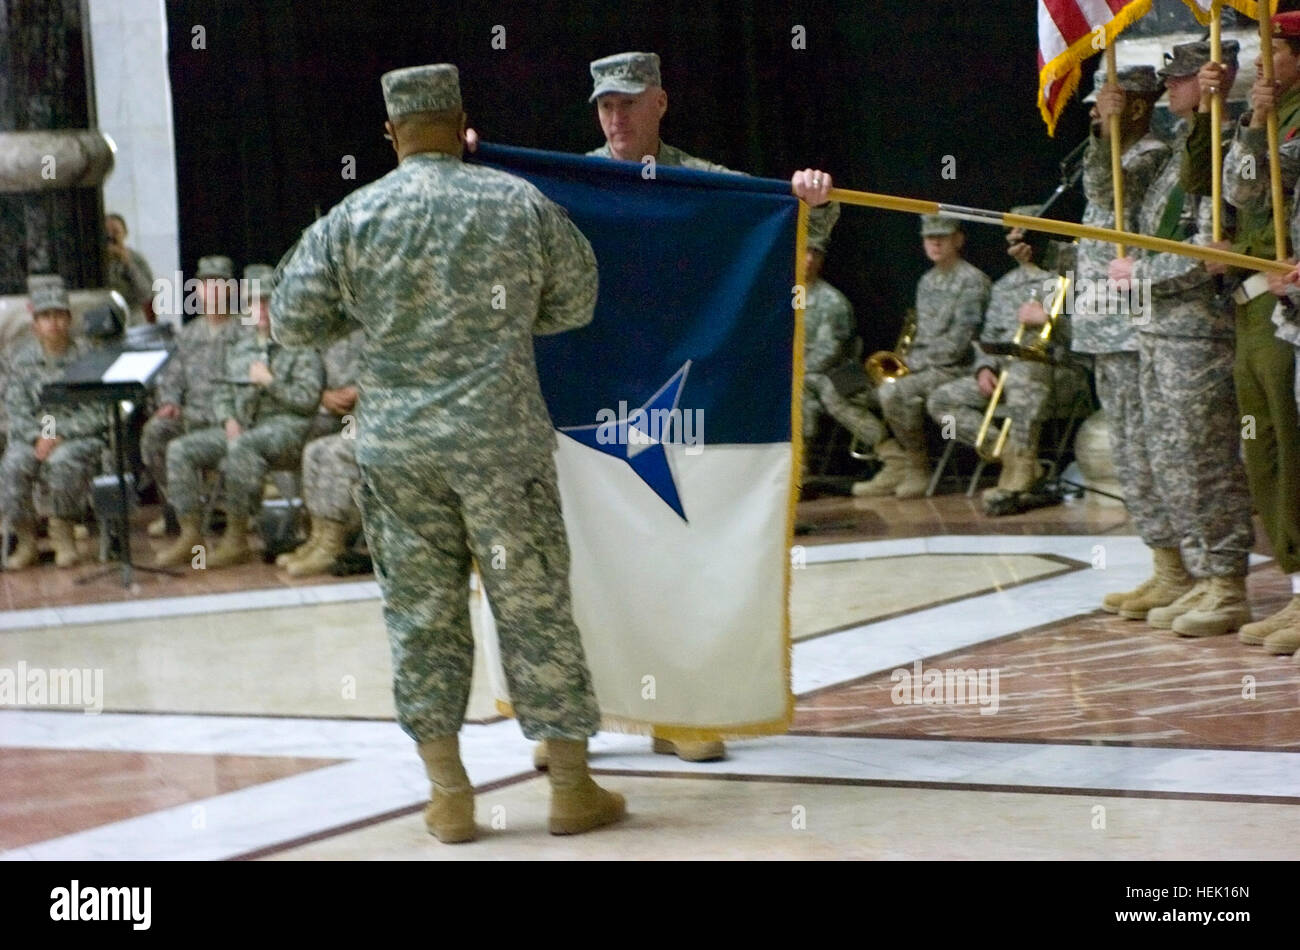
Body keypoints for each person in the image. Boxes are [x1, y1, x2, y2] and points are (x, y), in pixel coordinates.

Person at [272, 63, 625, 841]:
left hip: (398, 451)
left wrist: (380, 321)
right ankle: (570, 789)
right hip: (502, 442)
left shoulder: (353, 216)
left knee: (420, 615)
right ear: (463, 123)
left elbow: (291, 319)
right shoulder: (518, 202)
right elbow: (578, 301)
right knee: (535, 606)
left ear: (392, 134)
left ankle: (450, 796)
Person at [1106, 42, 1255, 638]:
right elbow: (1126, 206)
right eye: (1167, 78)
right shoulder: (1179, 151)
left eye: (1181, 78)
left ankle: (1226, 582)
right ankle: (1192, 572)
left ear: (1214, 79)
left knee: (1206, 460)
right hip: (1157, 328)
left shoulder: (1228, 146)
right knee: (1168, 460)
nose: (1169, 87)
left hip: (1199, 328)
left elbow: (1216, 252)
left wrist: (1146, 275)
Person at [1073, 66, 1184, 620]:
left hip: (1133, 327)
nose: (1095, 112)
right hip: (1103, 325)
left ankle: (1180, 569)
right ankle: (1164, 566)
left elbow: (1101, 191)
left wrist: (1105, 135)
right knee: (1129, 454)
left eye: (1107, 103)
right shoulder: (1111, 153)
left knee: (1152, 449)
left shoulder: (1149, 156)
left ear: (1137, 107)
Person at [153, 267, 323, 568]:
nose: (261, 310)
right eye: (254, 303)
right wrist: (228, 418)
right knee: (180, 449)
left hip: (286, 428)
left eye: (268, 302)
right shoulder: (242, 347)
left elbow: (308, 400)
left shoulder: (300, 343)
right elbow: (223, 392)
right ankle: (191, 534)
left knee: (244, 447)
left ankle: (236, 538)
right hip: (244, 428)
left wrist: (271, 382)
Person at [925, 209, 1087, 510]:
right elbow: (987, 337)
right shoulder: (1003, 287)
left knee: (1026, 375)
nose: (1014, 240)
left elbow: (1094, 336)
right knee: (941, 400)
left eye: (1021, 232)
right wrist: (983, 367)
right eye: (1010, 234)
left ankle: (1022, 465)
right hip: (1008, 372)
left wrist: (1053, 320)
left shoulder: (1069, 278)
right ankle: (1014, 455)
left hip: (1061, 373)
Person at [1225, 12, 1300, 655]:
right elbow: (1241, 194)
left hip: (1285, 305)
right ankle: (1297, 585)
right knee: (1266, 453)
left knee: (1293, 452)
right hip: (1279, 308)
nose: (1261, 58)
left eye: (1273, 46)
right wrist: (1252, 120)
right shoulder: (1274, 114)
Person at [854, 215, 990, 500]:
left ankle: (918, 467)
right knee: (867, 389)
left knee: (894, 393)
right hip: (927, 365)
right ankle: (901, 463)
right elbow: (920, 335)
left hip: (959, 368)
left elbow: (959, 343)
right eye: (929, 237)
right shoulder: (926, 281)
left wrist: (911, 365)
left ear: (958, 240)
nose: (935, 243)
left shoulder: (972, 281)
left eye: (942, 236)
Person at [0, 275, 107, 570]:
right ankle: (26, 541)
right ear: (35, 323)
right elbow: (15, 410)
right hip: (35, 437)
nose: (54, 323)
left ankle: (63, 536)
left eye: (59, 315)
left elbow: (100, 411)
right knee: (13, 464)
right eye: (46, 316)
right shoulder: (21, 359)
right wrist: (39, 436)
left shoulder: (88, 357)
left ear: (69, 319)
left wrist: (58, 434)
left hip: (77, 436)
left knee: (63, 462)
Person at [141, 255, 243, 538]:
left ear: (231, 290)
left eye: (220, 284)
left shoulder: (243, 333)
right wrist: (170, 401)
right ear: (197, 290)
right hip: (192, 416)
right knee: (155, 433)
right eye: (206, 285)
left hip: (229, 420)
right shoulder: (187, 336)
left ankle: (220, 506)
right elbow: (172, 377)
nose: (212, 291)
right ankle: (179, 506)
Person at [276, 326, 365, 576]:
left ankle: (333, 544)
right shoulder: (326, 323)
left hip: (380, 417)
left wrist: (361, 389)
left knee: (335, 452)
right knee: (315, 450)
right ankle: (318, 537)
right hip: (349, 416)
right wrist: (323, 395)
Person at [800, 220, 885, 478]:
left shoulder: (831, 301)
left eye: (815, 253)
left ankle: (886, 447)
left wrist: (791, 371)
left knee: (799, 388)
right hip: (804, 377)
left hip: (840, 375)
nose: (808, 258)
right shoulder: (781, 294)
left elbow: (829, 353)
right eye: (804, 250)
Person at [104, 213, 155, 326]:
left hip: (132, 316)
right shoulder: (95, 261)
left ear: (125, 234)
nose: (110, 236)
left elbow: (147, 294)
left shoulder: (136, 259)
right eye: (107, 232)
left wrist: (128, 264)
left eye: (116, 232)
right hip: (105, 316)